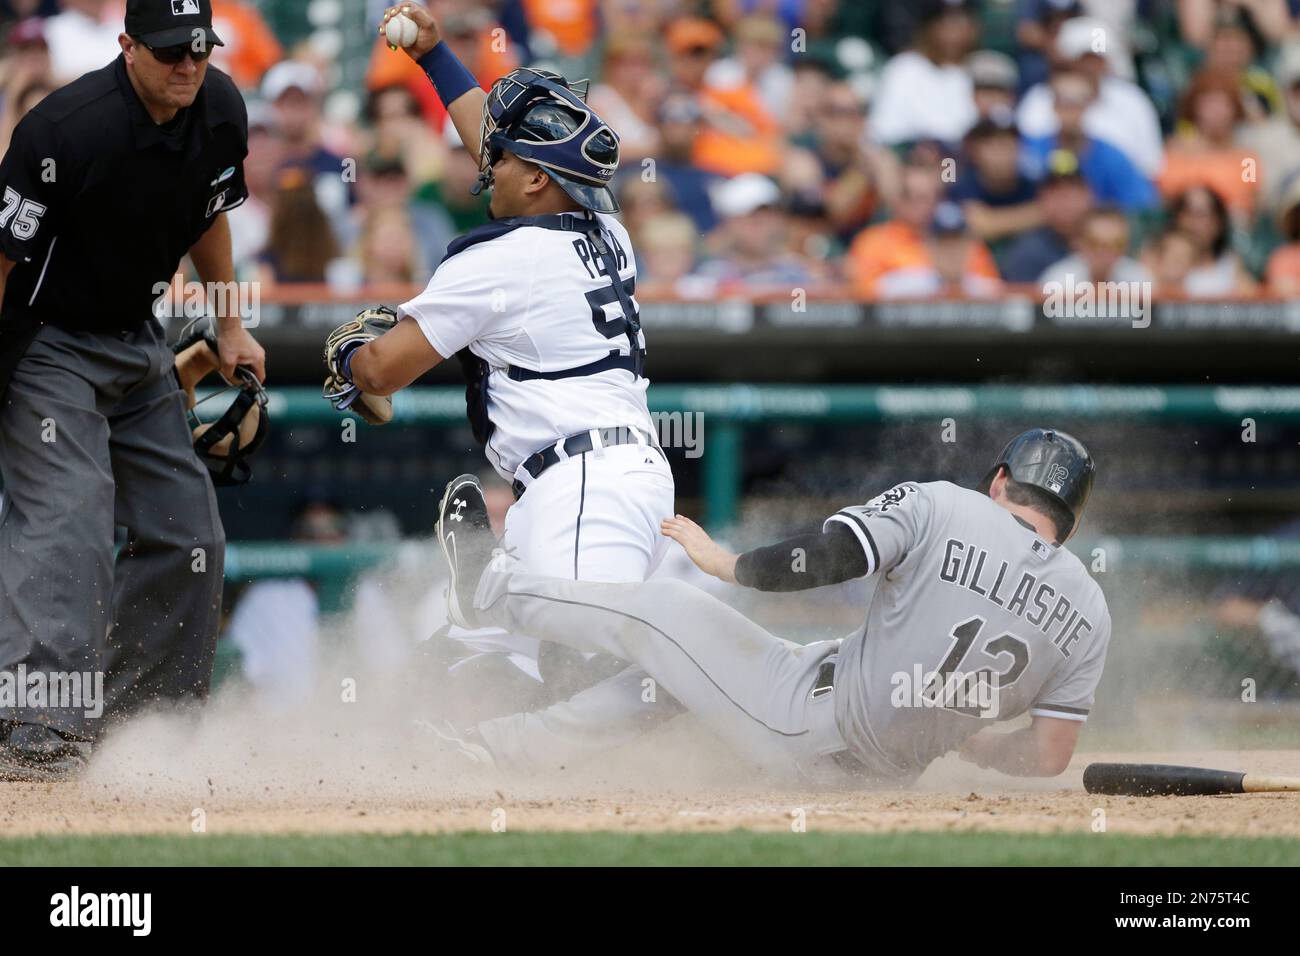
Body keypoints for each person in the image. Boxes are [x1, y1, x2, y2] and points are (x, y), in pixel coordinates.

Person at [322, 3, 678, 769]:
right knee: (483, 663)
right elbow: (497, 141)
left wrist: (353, 361)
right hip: (603, 477)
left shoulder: (499, 260)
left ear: (540, 179)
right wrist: (434, 56)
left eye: (507, 160)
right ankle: (449, 730)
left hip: (585, 482)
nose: (487, 164)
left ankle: (490, 600)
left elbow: (383, 372)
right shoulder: (607, 230)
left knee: (607, 672)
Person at [435, 429, 1110, 784]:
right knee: (674, 674)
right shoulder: (1090, 609)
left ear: (1001, 481)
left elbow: (829, 555)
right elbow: (1050, 756)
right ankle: (497, 753)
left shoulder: (950, 504)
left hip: (811, 728)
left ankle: (493, 591)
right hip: (873, 773)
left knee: (667, 611)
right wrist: (975, 743)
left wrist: (728, 565)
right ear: (1070, 523)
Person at [0, 0, 264, 781]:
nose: (187, 63)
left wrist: (230, 324)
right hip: (45, 342)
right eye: (169, 49)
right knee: (70, 516)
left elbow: (209, 210)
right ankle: (36, 729)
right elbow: (4, 257)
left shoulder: (218, 105)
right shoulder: (64, 129)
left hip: (137, 338)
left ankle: (140, 727)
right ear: (126, 46)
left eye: (199, 47)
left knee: (189, 535)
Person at [1000, 150, 1093, 282]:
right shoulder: (1027, 253)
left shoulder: (1110, 242)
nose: (1065, 202)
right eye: (1056, 193)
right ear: (1041, 199)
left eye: (1072, 191)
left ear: (1089, 195)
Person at [1039, 206, 1152, 285]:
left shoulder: (1139, 279)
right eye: (1096, 243)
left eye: (1117, 244)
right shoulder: (1057, 281)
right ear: (1079, 244)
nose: (1107, 252)